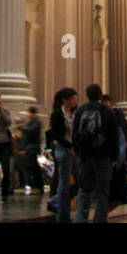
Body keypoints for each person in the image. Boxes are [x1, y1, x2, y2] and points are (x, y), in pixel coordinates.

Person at [72, 83, 118, 223]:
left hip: (85, 157)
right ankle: (99, 220)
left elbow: (75, 134)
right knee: (102, 192)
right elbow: (113, 135)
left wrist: (80, 153)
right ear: (100, 96)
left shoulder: (80, 111)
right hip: (103, 157)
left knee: (84, 190)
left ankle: (80, 219)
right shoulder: (107, 111)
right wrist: (114, 156)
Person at [48, 87, 77, 223]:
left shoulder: (72, 114)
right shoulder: (57, 115)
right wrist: (68, 145)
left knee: (80, 182)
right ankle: (64, 216)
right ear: (64, 100)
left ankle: (55, 201)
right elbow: (55, 134)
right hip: (64, 150)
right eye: (72, 98)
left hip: (73, 151)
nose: (74, 100)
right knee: (64, 183)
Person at [19, 105, 44, 195]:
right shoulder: (32, 122)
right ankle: (35, 185)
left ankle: (38, 185)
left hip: (33, 148)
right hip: (30, 147)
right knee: (31, 166)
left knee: (34, 167)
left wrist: (22, 127)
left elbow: (30, 131)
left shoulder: (36, 122)